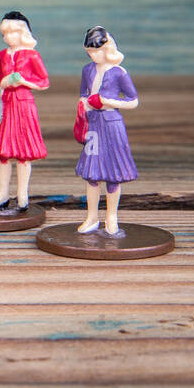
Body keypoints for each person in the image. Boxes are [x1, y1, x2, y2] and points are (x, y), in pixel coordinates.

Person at [75, 26, 139, 237]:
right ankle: (92, 217)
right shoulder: (87, 70)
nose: (93, 56)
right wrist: (84, 103)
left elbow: (133, 101)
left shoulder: (119, 73)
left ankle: (112, 217)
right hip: (93, 125)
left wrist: (107, 102)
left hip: (112, 125)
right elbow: (84, 94)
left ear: (107, 48)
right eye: (89, 52)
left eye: (96, 51)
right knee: (92, 174)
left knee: (113, 175)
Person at [0, 10, 49, 212]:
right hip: (6, 103)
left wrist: (21, 80)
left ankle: (22, 194)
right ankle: (3, 194)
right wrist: (1, 85)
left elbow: (44, 82)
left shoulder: (32, 55)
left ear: (22, 32)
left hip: (23, 104)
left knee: (23, 153)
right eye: (4, 33)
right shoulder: (2, 55)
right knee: (3, 153)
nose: (7, 37)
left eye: (12, 32)